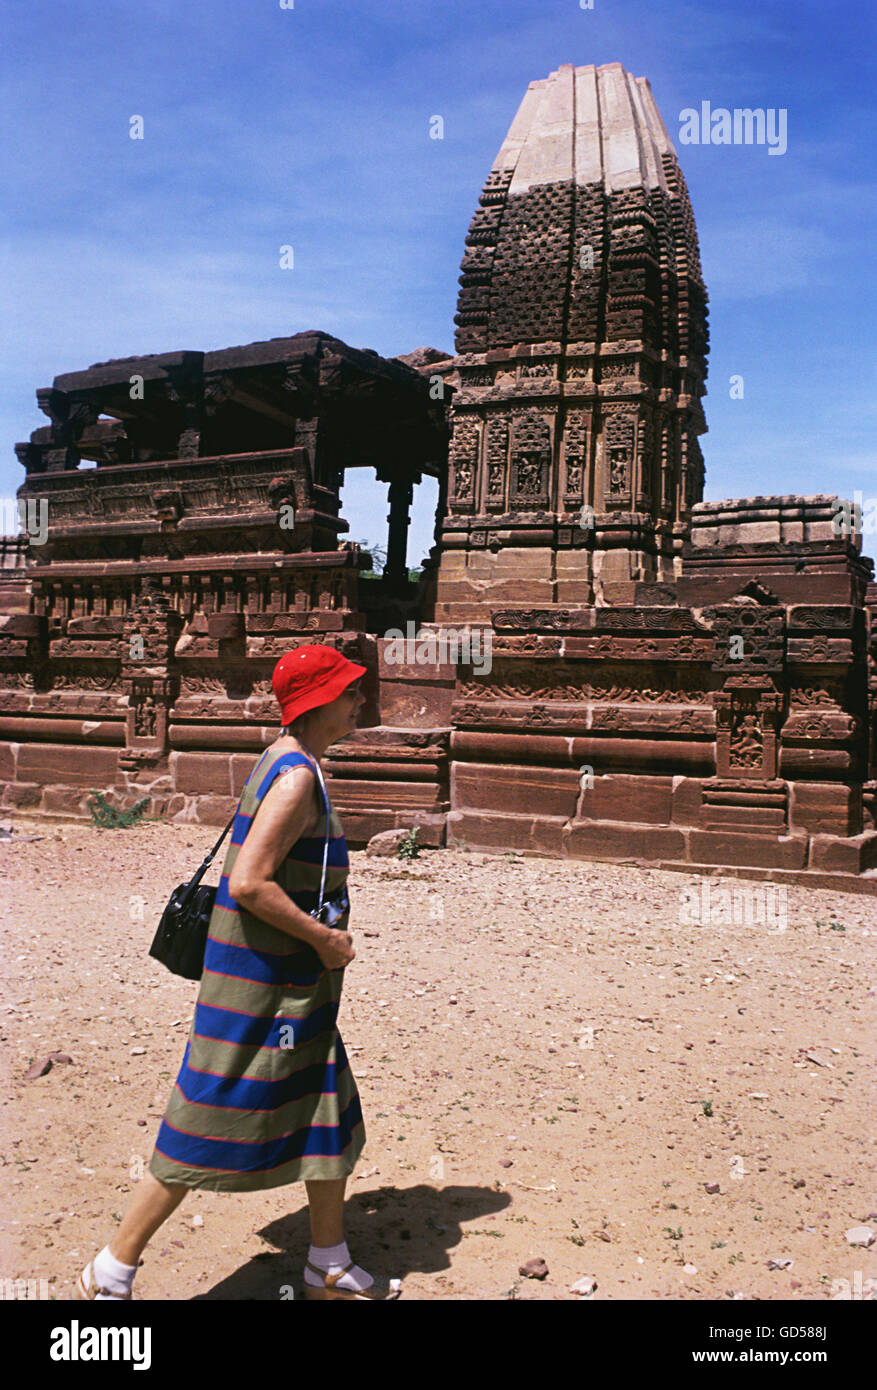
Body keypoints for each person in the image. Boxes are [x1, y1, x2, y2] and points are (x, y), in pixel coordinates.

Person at [76, 643, 401, 1301]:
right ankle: (109, 1272)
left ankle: (328, 1265)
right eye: (347, 691)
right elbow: (250, 882)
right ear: (318, 702)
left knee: (325, 1106)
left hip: (292, 988)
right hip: (263, 989)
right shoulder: (295, 778)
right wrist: (326, 939)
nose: (358, 700)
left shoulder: (290, 759)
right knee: (207, 1113)